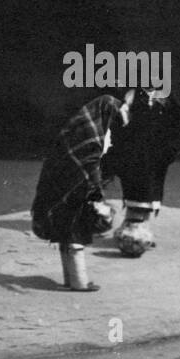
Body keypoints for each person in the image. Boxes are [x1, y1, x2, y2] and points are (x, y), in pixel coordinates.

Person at [31, 93, 130, 291]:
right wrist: (96, 198)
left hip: (60, 191)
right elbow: (89, 168)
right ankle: (79, 283)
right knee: (75, 237)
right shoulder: (92, 137)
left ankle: (70, 281)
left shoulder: (78, 129)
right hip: (76, 194)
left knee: (65, 236)